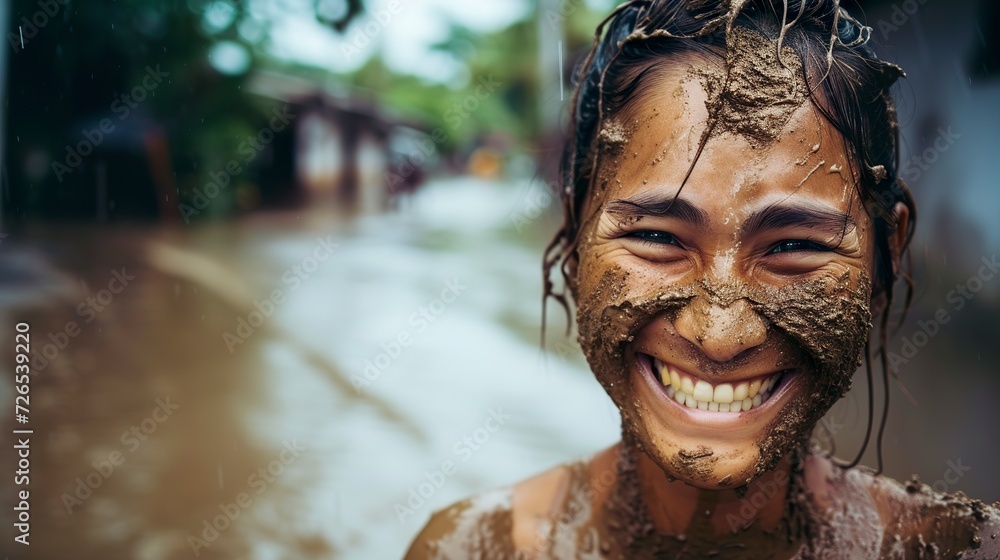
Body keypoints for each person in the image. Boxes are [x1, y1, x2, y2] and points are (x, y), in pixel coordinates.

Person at [405, 0, 1000, 557]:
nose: (720, 335)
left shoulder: (967, 548)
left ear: (884, 257)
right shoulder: (471, 546)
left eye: (793, 247)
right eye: (658, 239)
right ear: (575, 239)